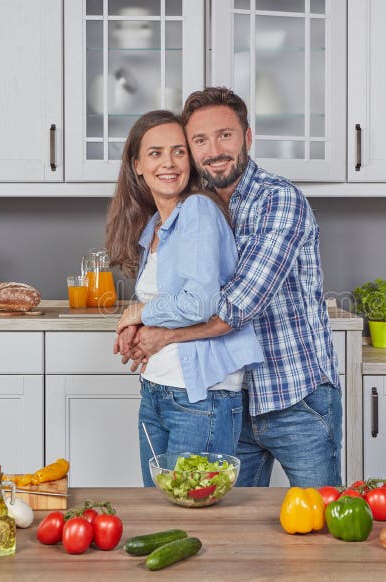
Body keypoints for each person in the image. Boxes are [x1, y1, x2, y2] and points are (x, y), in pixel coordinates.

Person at [116, 88, 342, 487]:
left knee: (321, 522)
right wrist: (148, 327)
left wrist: (159, 333)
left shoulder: (278, 200)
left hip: (293, 396)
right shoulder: (192, 208)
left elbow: (236, 307)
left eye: (225, 135)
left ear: (248, 138)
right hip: (231, 398)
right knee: (234, 532)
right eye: (200, 141)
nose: (213, 150)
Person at [105, 110, 263, 486]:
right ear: (137, 165)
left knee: (192, 521)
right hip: (158, 389)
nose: (169, 163)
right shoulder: (153, 225)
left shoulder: (198, 211)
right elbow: (169, 299)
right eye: (156, 153)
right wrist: (139, 323)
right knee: (162, 513)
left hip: (200, 397)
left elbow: (199, 303)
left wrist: (139, 311)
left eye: (178, 151)